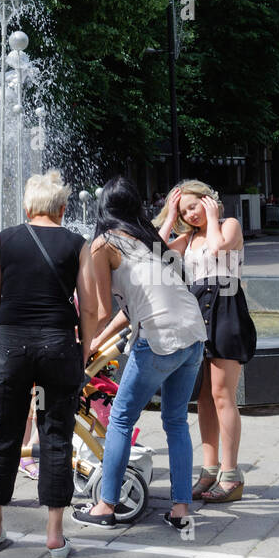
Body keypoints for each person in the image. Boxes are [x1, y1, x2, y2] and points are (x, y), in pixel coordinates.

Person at [72, 176, 207, 533]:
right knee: (176, 421)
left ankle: (105, 506)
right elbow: (130, 309)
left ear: (103, 208)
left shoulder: (103, 243)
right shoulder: (151, 241)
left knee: (120, 419)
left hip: (159, 339)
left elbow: (99, 309)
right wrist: (102, 336)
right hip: (193, 335)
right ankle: (181, 510)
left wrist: (83, 345)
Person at [0, 170, 99, 558]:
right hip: (57, 347)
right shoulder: (77, 244)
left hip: (13, 347)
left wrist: (10, 330)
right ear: (63, 208)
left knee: (3, 431)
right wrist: (83, 349)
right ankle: (54, 534)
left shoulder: (5, 239)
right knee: (56, 434)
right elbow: (90, 307)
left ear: (27, 206)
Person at [154, 180, 256, 503]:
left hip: (226, 309)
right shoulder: (189, 237)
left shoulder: (229, 226)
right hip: (198, 312)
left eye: (193, 206)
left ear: (209, 201)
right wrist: (169, 217)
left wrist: (212, 217)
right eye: (185, 210)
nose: (190, 214)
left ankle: (231, 474)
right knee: (204, 396)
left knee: (222, 394)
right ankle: (209, 470)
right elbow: (155, 255)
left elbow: (218, 248)